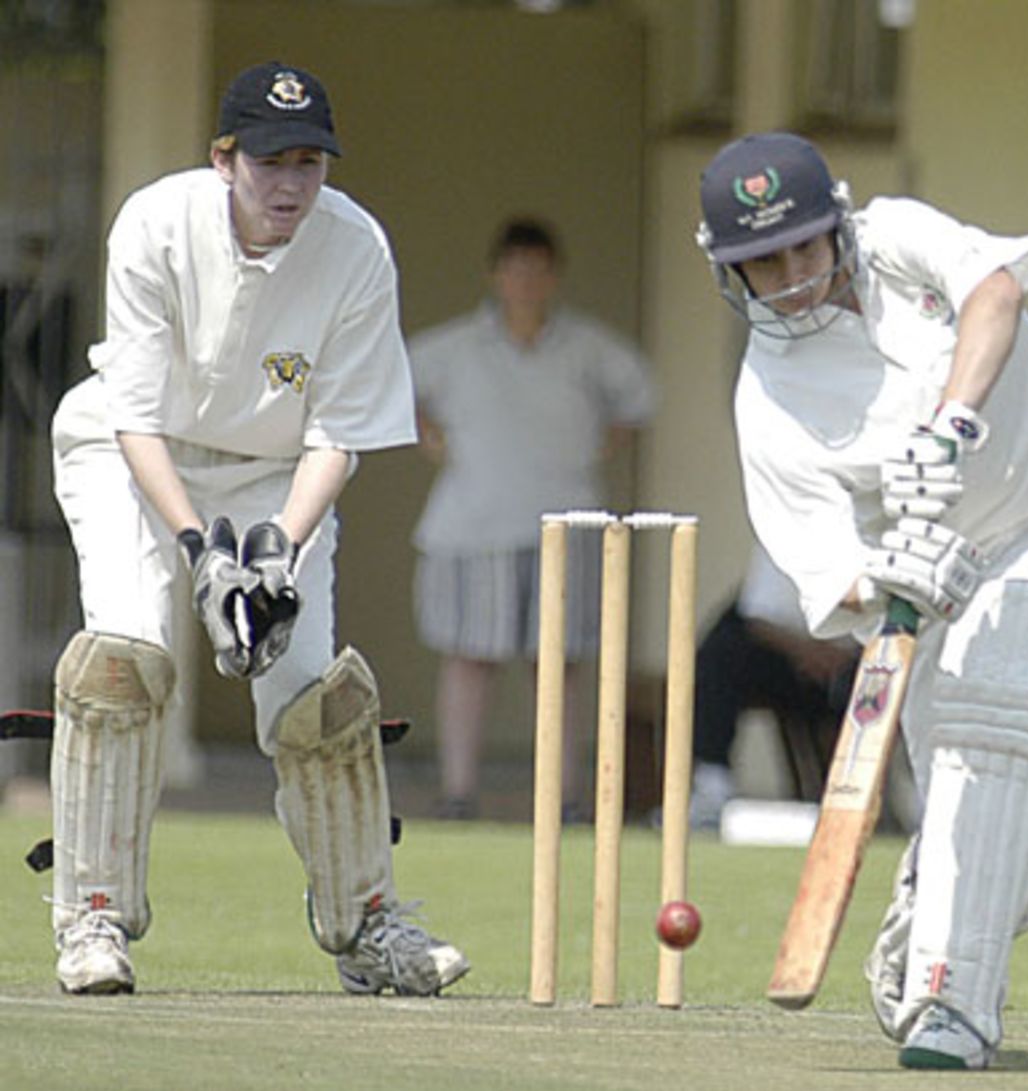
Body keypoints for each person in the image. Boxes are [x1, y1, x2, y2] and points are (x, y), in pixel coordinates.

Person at [696, 132, 1028, 1069]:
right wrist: (890, 577)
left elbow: (997, 292)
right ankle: (973, 878)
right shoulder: (770, 402)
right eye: (760, 263)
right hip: (936, 580)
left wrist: (953, 423)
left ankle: (955, 1008)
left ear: (840, 228)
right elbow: (827, 574)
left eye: (804, 248)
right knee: (985, 810)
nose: (790, 279)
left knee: (999, 720)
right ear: (728, 268)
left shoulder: (898, 239)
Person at [46, 61, 469, 998]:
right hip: (134, 459)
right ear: (223, 158)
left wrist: (275, 547)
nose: (290, 184)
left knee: (316, 697)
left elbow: (339, 430)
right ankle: (94, 917)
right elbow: (135, 419)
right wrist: (202, 553)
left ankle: (367, 926)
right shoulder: (157, 225)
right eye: (270, 161)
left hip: (278, 476)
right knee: (125, 661)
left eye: (309, 161)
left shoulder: (355, 247)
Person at [409, 217, 655, 820]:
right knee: (469, 658)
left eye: (537, 269)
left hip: (567, 522)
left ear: (554, 276)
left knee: (561, 666)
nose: (525, 281)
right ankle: (459, 789)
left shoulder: (590, 347)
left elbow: (642, 397)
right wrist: (430, 437)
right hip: (471, 524)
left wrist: (603, 444)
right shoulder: (455, 345)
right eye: (515, 268)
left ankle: (566, 795)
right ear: (496, 275)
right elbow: (390, 389)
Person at [689, 541, 860, 828]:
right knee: (721, 652)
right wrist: (807, 653)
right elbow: (756, 615)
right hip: (787, 656)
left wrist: (837, 657)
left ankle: (869, 798)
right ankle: (711, 786)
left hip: (853, 663)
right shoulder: (787, 524)